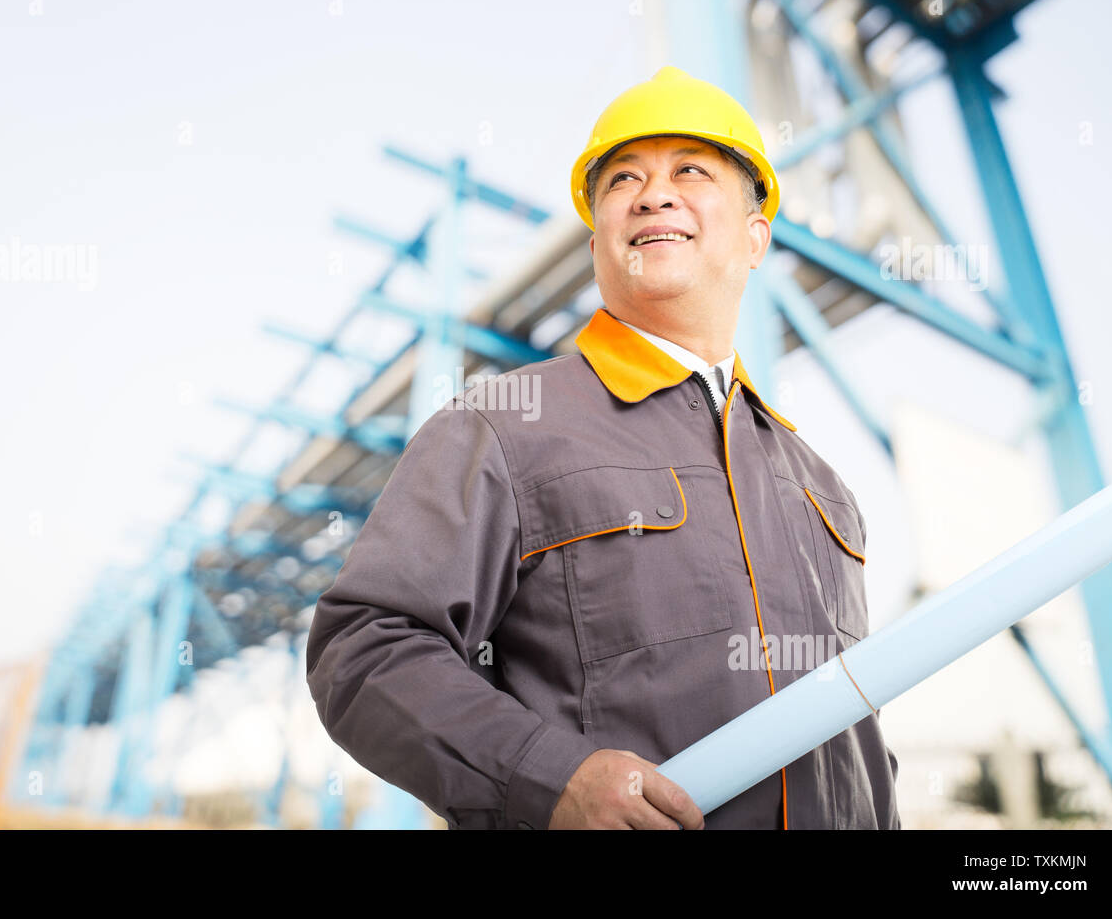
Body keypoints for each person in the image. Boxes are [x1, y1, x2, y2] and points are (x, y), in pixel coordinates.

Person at [305, 66, 901, 830]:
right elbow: (363, 647)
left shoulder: (819, 483)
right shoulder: (504, 424)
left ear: (757, 239)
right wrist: (548, 779)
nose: (654, 193)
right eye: (624, 179)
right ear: (598, 245)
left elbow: (861, 741)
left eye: (691, 169)